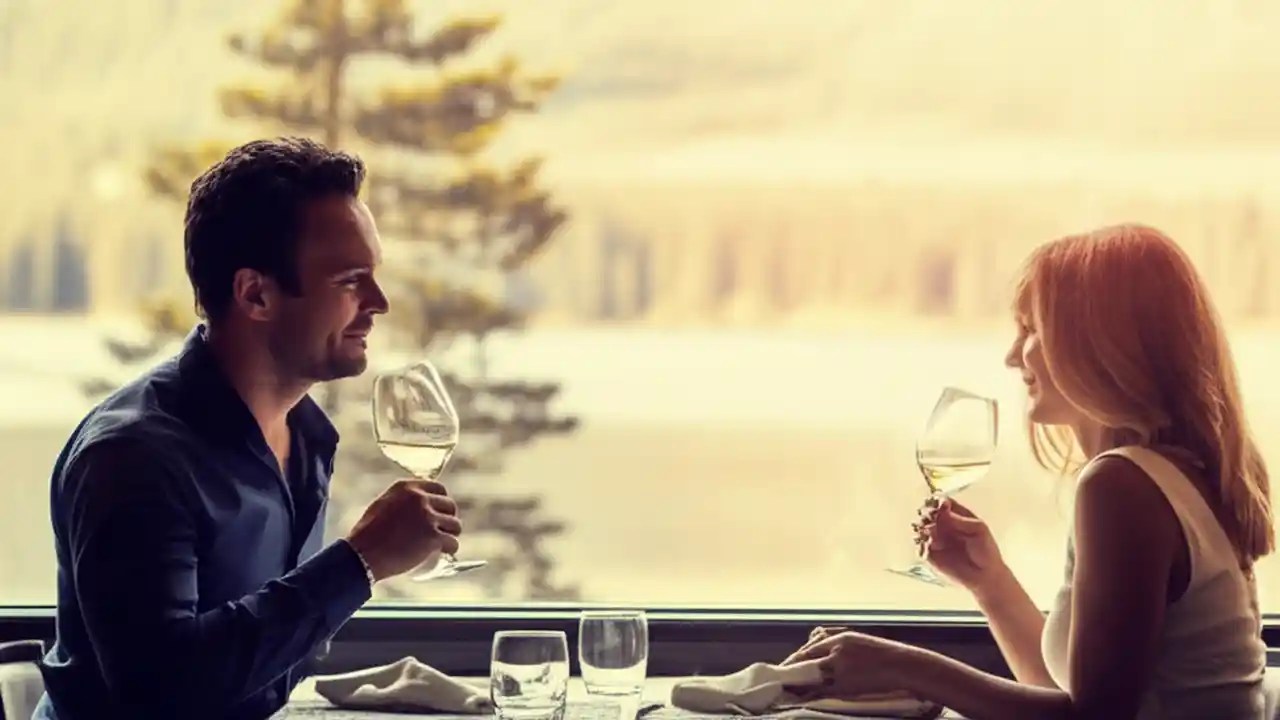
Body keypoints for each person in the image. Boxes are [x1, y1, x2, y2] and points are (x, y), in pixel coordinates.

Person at [34, 137, 463, 720]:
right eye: (350, 280)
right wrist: (359, 563)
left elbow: (266, 665)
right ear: (256, 294)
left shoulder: (306, 438)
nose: (379, 301)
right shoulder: (132, 459)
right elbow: (160, 692)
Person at [785, 224, 1272, 719]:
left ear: (1097, 343)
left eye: (1030, 329)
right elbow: (1074, 694)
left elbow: (1095, 718)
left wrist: (899, 666)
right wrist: (990, 584)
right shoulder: (1176, 475)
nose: (1012, 356)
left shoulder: (1122, 486)